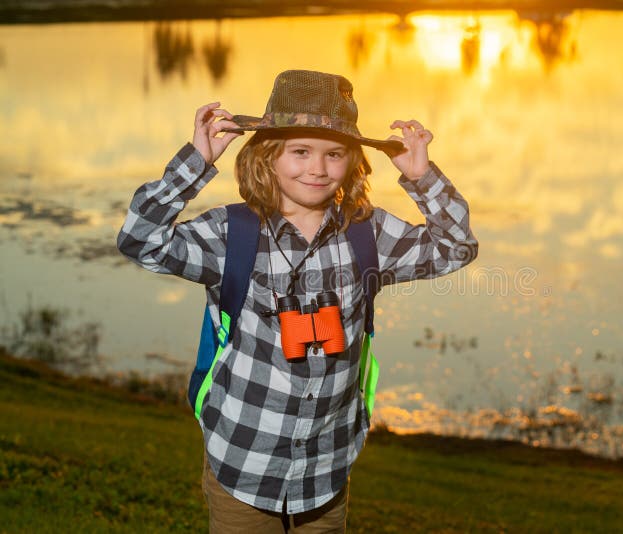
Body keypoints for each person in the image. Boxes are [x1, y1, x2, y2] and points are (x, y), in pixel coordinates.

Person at [117, 69, 478, 533]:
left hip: (325, 475)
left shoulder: (371, 235)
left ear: (354, 162)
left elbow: (456, 249)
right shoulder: (231, 235)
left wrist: (423, 177)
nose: (318, 168)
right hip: (243, 466)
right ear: (268, 156)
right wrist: (196, 162)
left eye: (335, 154)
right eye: (300, 152)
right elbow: (138, 240)